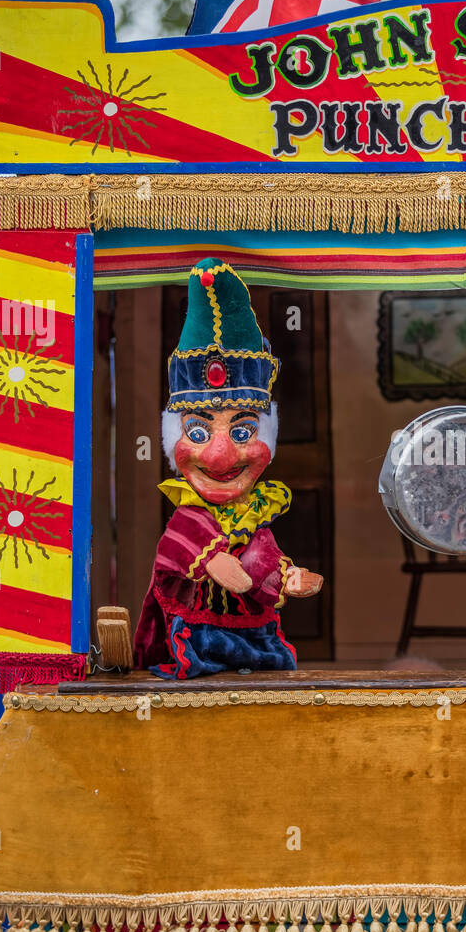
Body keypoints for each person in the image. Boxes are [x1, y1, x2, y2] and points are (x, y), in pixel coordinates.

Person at [133, 258, 322, 677]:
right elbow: (175, 550)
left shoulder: (254, 516)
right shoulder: (189, 518)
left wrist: (284, 578)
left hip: (250, 632)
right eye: (198, 433)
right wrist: (213, 562)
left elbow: (261, 557)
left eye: (242, 432)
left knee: (266, 663)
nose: (219, 458)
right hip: (196, 631)